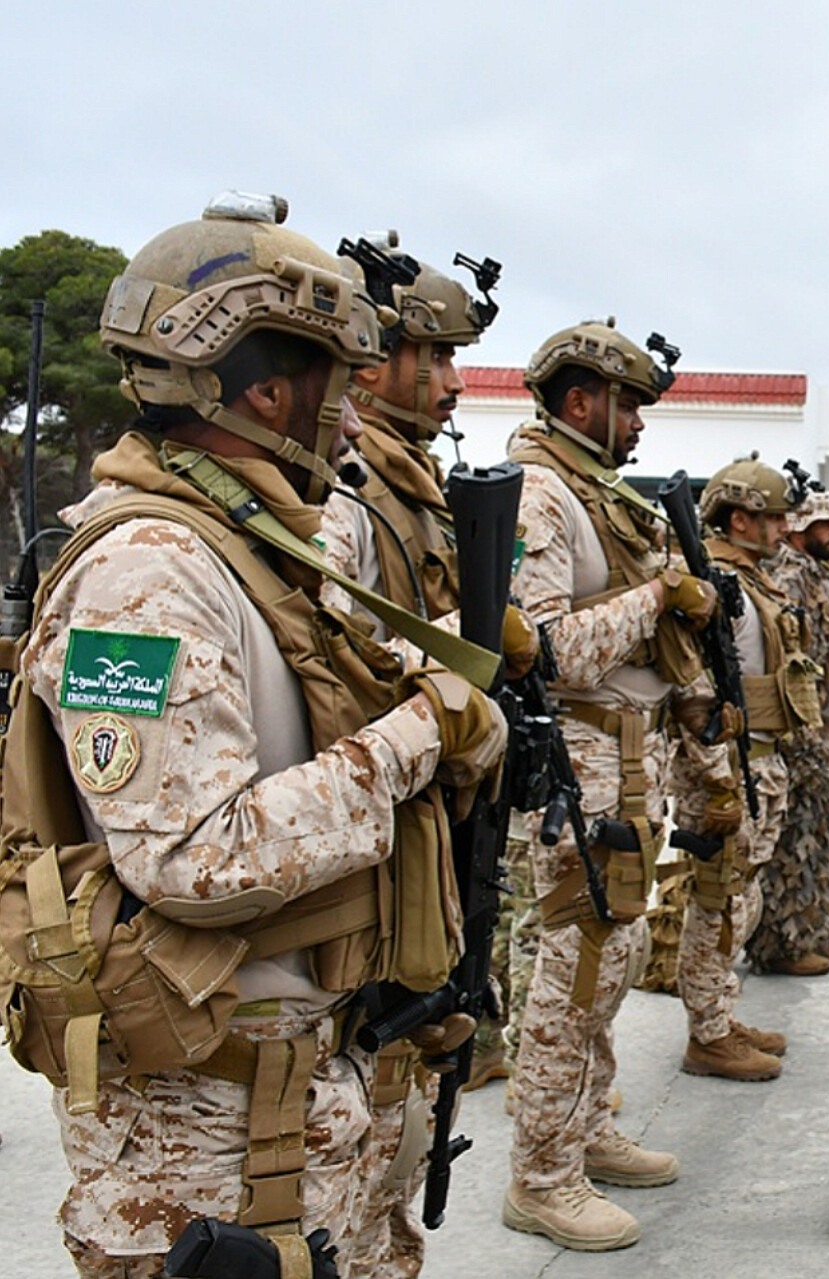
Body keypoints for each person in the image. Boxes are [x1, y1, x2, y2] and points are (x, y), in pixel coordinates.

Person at [6, 194, 506, 1279]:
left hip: (296, 1090)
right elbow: (193, 857)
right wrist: (421, 735)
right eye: (340, 385)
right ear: (269, 389)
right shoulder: (144, 578)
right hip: (201, 1145)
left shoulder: (261, 546)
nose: (357, 418)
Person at [318, 240, 520, 1278]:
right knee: (369, 1104)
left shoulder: (411, 484)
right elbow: (335, 664)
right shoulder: (345, 495)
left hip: (425, 815)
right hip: (368, 824)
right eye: (432, 357)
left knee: (398, 1110)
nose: (451, 382)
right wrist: (458, 660)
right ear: (371, 357)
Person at [501, 319, 710, 1250]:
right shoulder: (540, 494)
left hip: (627, 759)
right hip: (575, 764)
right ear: (578, 400)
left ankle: (582, 1130)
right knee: (572, 968)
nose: (636, 426)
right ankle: (540, 1174)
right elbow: (544, 649)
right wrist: (659, 596)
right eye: (627, 405)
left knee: (613, 961)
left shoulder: (599, 495)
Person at [673, 455, 821, 1082]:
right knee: (717, 903)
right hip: (731, 768)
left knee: (742, 898)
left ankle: (720, 1014)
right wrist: (714, 779)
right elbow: (696, 691)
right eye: (773, 519)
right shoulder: (714, 587)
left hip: (760, 760)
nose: (785, 529)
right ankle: (706, 1035)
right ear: (739, 520)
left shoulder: (750, 581)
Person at [753, 491, 829, 976]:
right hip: (806, 734)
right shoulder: (791, 577)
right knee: (794, 842)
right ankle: (780, 945)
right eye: (828, 525)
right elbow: (786, 663)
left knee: (818, 837)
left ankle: (811, 929)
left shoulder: (821, 575)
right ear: (799, 529)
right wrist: (803, 734)